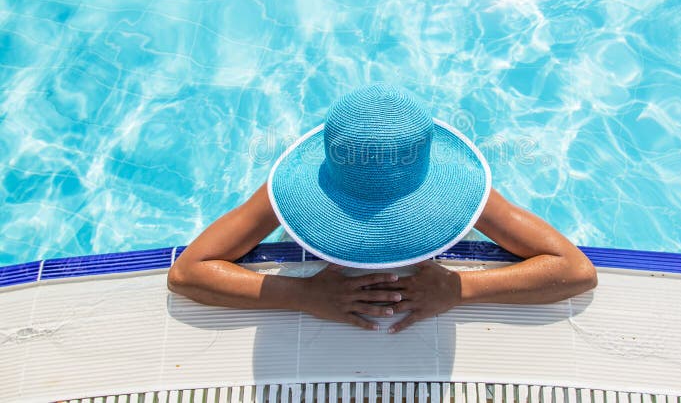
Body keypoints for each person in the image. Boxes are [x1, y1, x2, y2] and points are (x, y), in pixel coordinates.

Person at [168, 84, 596, 334]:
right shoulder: (281, 195)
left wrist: (461, 289)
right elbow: (187, 274)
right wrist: (302, 295)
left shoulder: (474, 198)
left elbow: (576, 271)